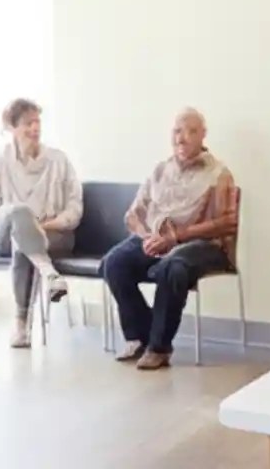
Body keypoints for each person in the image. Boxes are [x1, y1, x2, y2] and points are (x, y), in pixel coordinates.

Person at [101, 108, 238, 370]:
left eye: (191, 131)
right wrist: (150, 238)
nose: (182, 138)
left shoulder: (218, 174)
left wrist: (176, 238)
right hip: (156, 237)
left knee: (172, 267)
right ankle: (140, 336)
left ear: (203, 135)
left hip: (201, 245)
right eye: (177, 131)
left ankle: (159, 347)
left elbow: (226, 223)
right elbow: (133, 215)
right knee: (114, 262)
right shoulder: (160, 170)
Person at [0, 98, 83, 348]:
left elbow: (75, 209)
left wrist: (38, 227)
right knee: (19, 214)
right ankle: (49, 273)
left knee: (22, 240)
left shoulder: (59, 161)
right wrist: (22, 221)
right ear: (12, 128)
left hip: (53, 232)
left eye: (37, 122)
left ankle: (21, 326)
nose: (35, 128)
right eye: (27, 124)